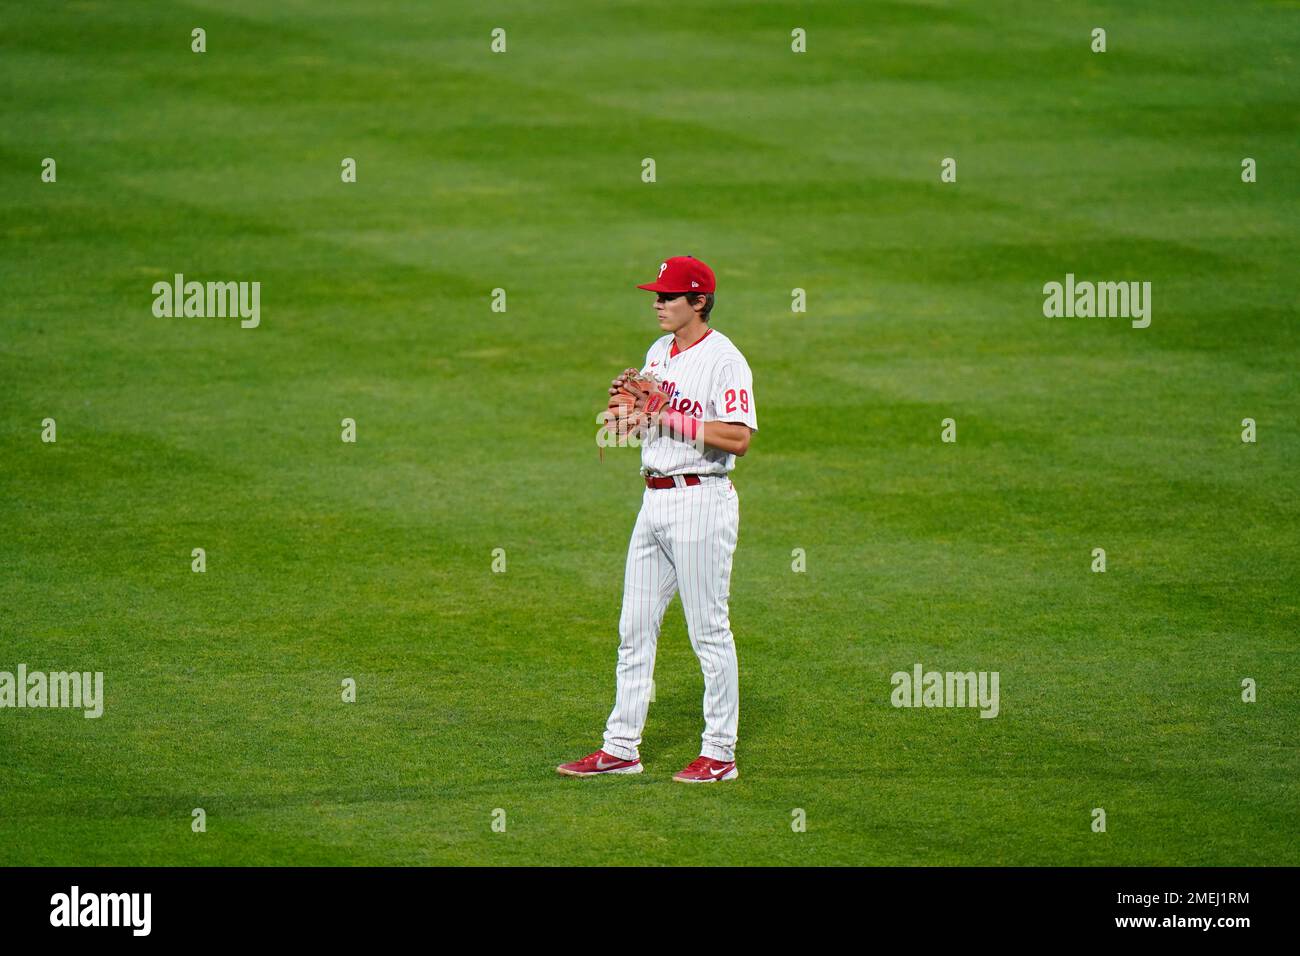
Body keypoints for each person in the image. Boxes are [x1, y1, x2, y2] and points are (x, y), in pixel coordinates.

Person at [557, 256, 758, 783]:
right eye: (658, 295)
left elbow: (738, 438)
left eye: (669, 296)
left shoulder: (725, 360)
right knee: (634, 627)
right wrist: (628, 417)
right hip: (654, 501)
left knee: (709, 631)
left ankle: (720, 753)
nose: (658, 303)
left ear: (699, 302)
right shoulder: (659, 352)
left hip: (701, 501)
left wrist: (661, 416)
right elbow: (643, 424)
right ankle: (621, 747)